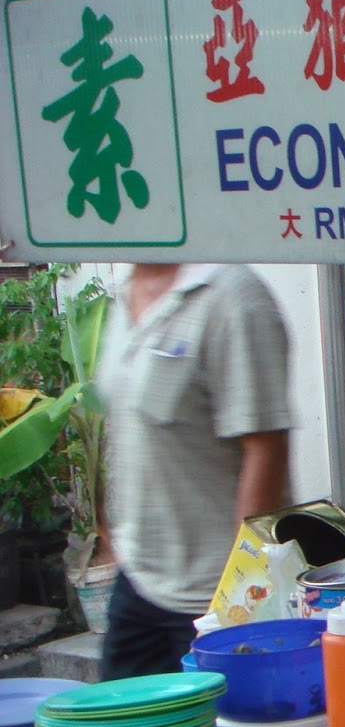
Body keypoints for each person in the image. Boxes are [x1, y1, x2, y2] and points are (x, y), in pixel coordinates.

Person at [96, 263, 291, 678]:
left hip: (216, 599)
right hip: (139, 579)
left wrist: (239, 600)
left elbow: (265, 449)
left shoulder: (232, 296)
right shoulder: (124, 289)